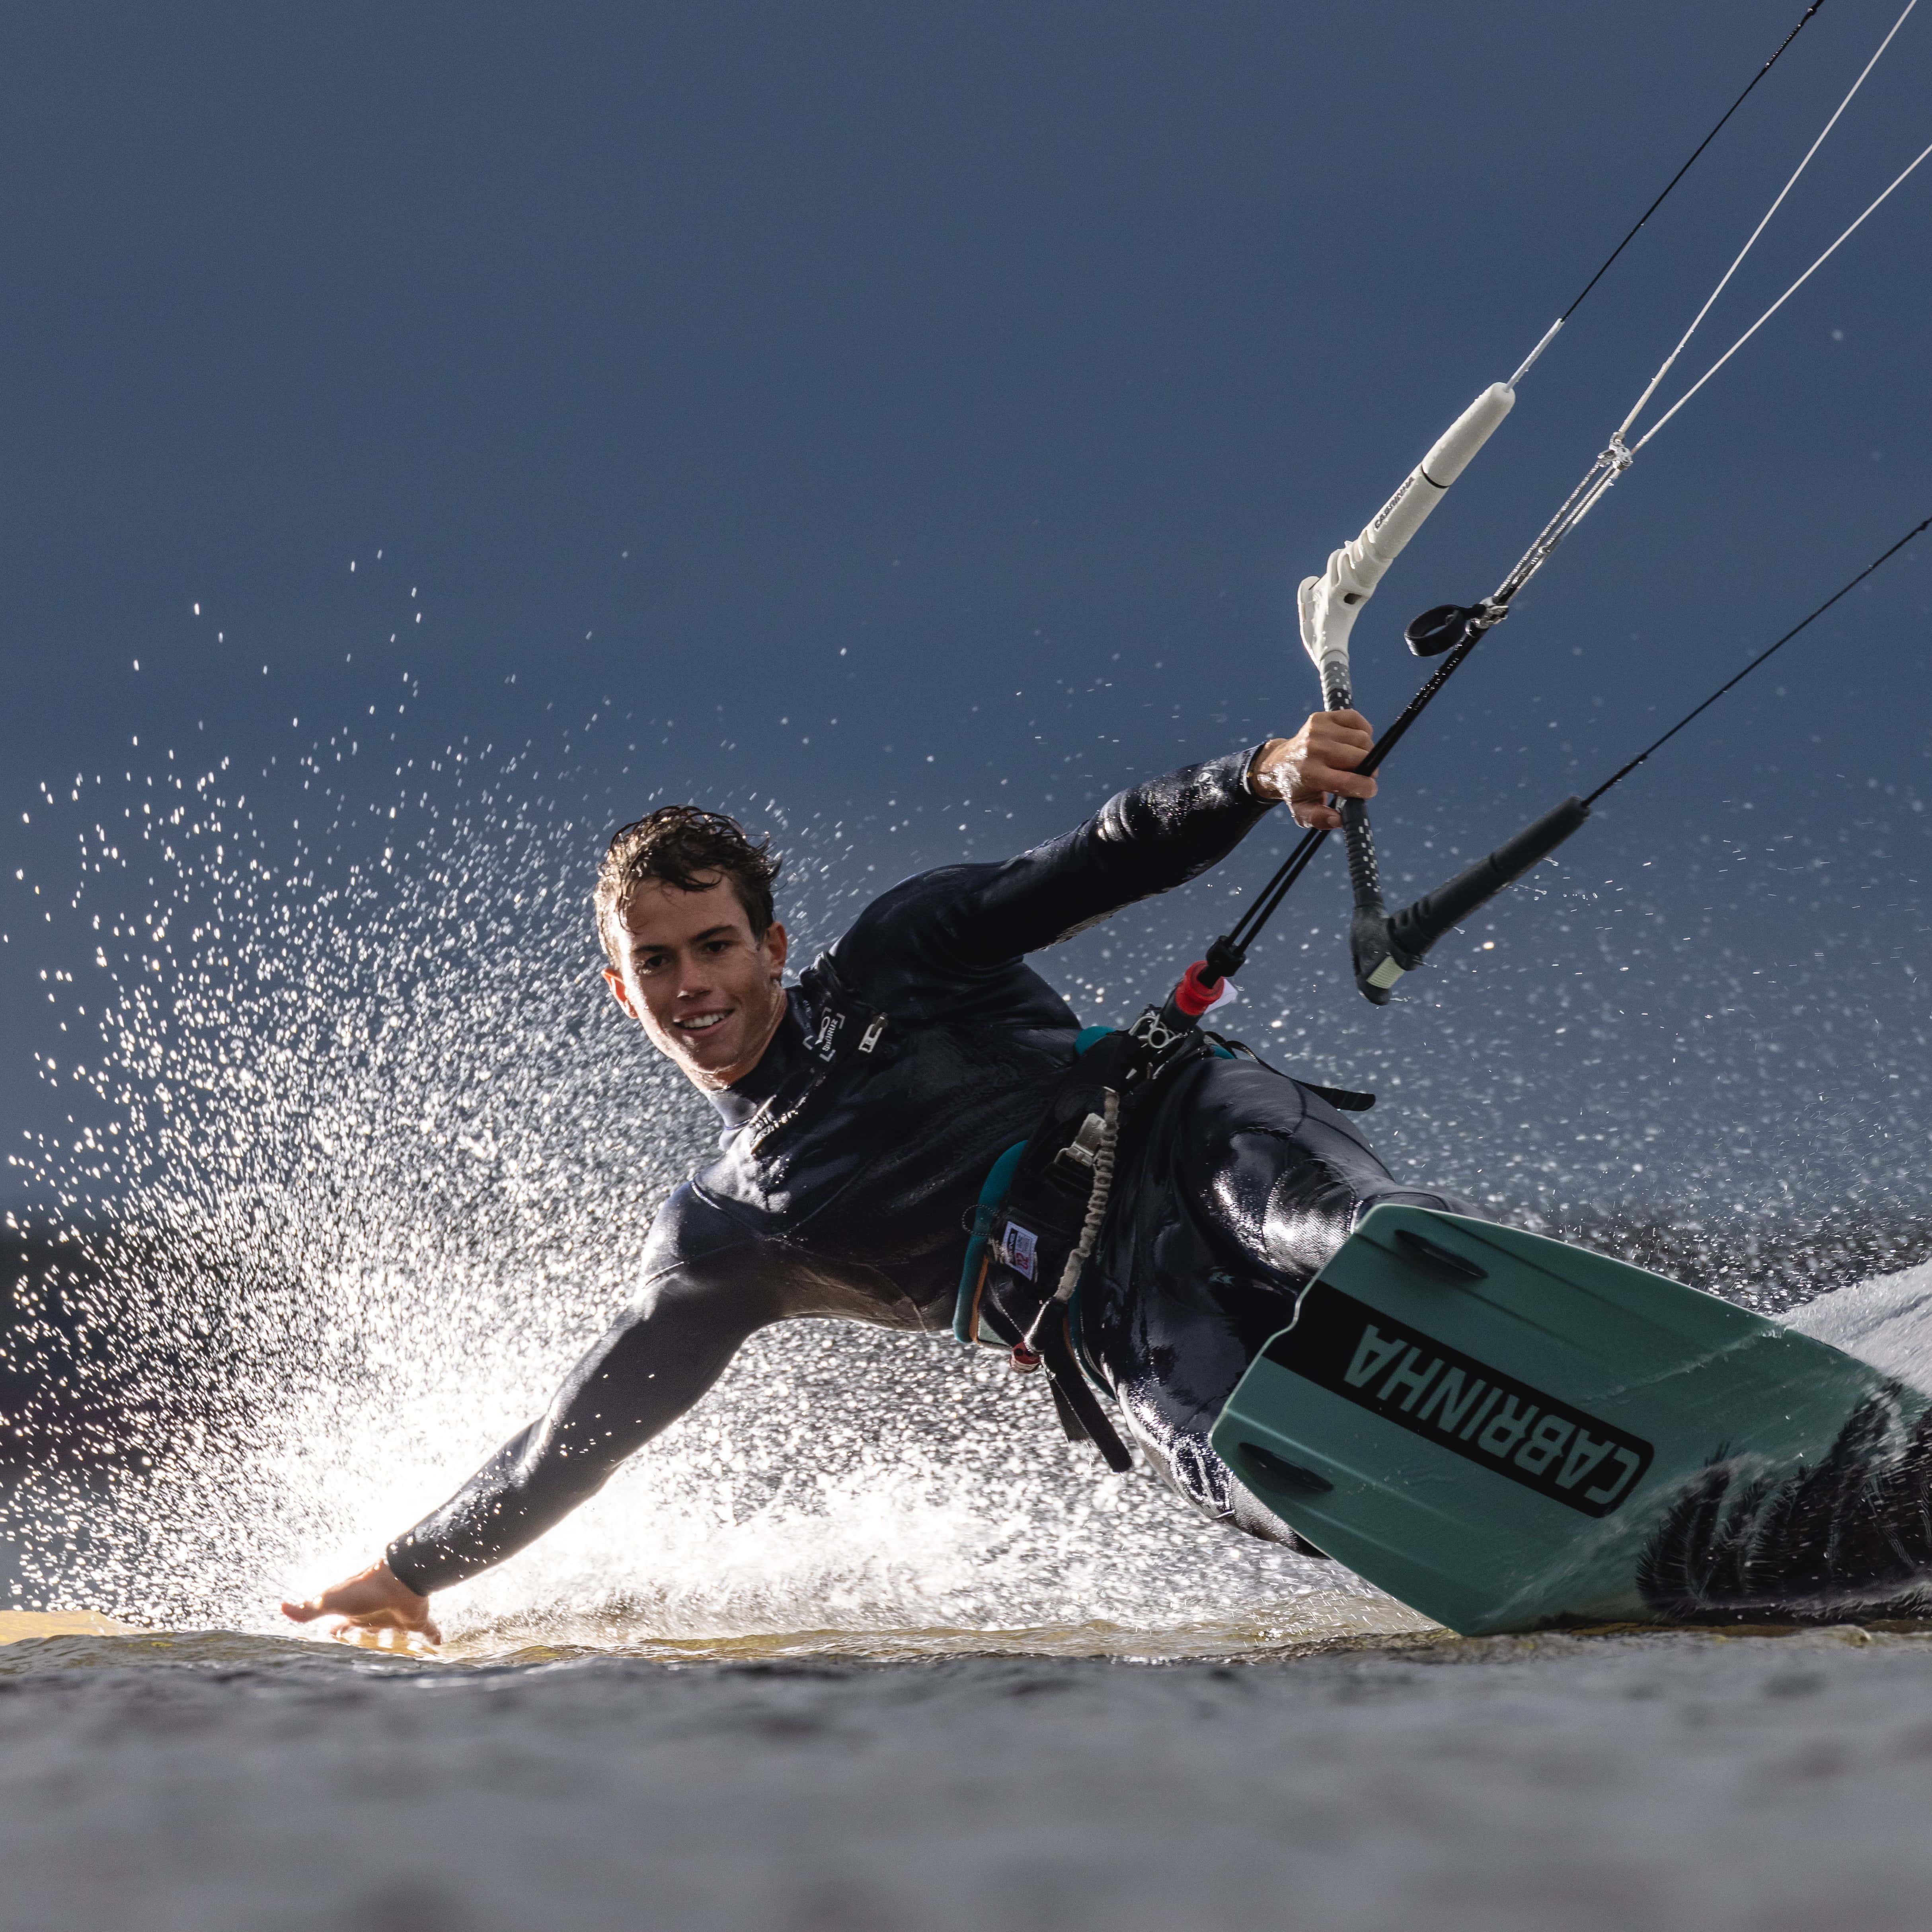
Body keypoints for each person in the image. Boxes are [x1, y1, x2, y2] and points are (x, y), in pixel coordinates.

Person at [284, 710, 1465, 1643]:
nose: (692, 984)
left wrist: (1255, 775)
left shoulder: (905, 957)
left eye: (716, 946)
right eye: (657, 962)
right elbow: (575, 1438)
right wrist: (407, 1570)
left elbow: (1098, 857)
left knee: (1317, 1225)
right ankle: (1492, 1536)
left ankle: (1472, 1286)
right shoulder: (729, 1237)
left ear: (771, 947)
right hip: (1108, 1313)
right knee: (1233, 1453)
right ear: (621, 990)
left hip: (1193, 1134)